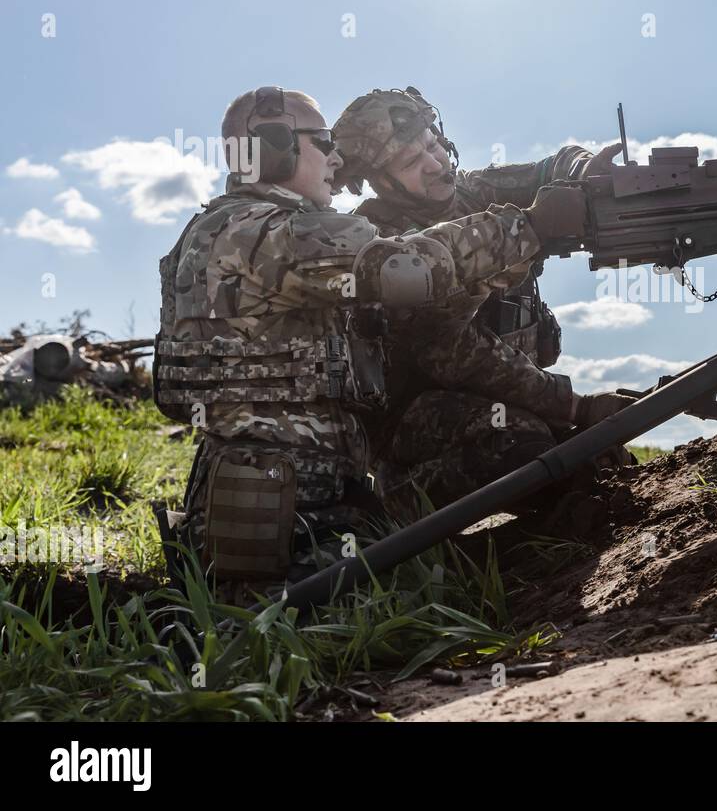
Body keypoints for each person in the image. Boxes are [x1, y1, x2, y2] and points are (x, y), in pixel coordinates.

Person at [153, 86, 589, 597]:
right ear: (274, 148)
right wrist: (531, 226)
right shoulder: (261, 233)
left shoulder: (230, 226)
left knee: (446, 584)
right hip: (279, 527)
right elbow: (406, 265)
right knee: (432, 602)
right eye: (321, 142)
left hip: (293, 500)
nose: (335, 157)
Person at [331, 88, 634, 524]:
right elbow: (450, 352)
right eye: (411, 162)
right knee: (520, 443)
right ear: (380, 180)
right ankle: (400, 501)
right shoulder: (381, 249)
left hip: (504, 394)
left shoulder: (478, 191)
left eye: (433, 145)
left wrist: (584, 169)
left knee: (595, 459)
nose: (435, 164)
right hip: (419, 414)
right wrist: (573, 406)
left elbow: (553, 166)